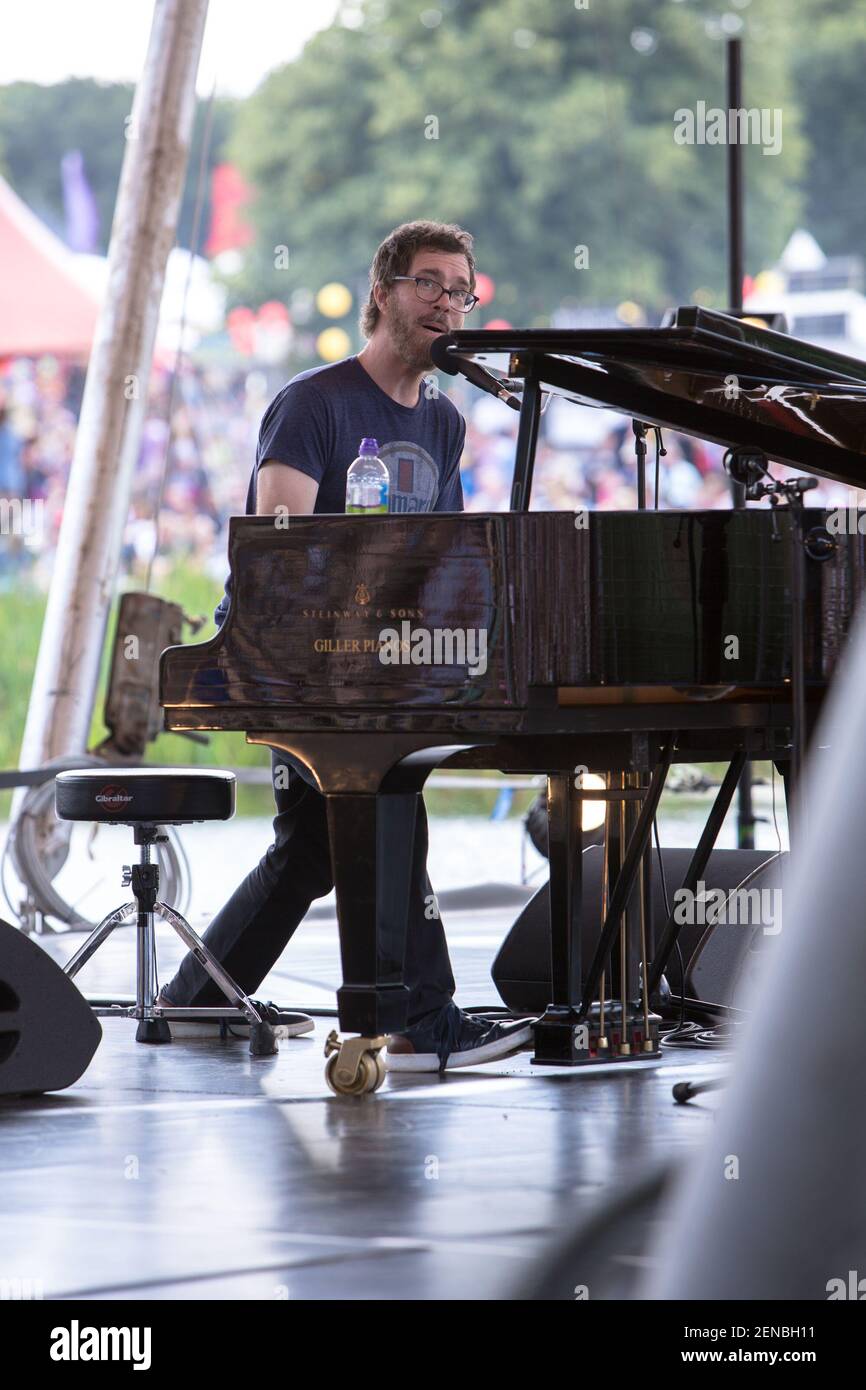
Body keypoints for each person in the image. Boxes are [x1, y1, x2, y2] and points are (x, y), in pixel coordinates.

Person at [157, 220, 533, 1071]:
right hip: (296, 658)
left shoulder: (443, 423)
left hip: (388, 665)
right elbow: (274, 541)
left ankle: (198, 1000)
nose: (447, 303)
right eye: (430, 284)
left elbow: (446, 554)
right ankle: (417, 1024)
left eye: (460, 290)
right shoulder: (314, 402)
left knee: (317, 848)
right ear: (385, 293)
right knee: (380, 818)